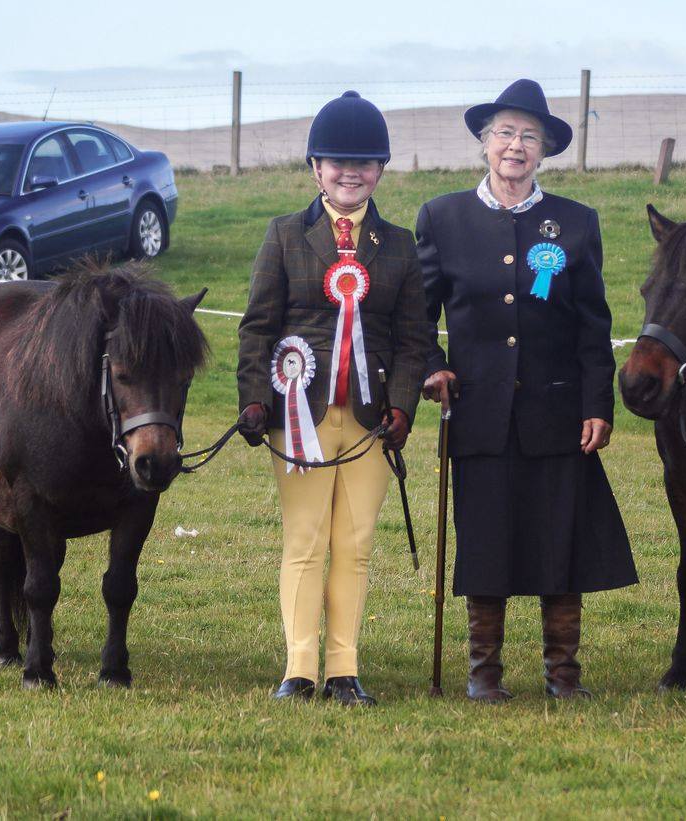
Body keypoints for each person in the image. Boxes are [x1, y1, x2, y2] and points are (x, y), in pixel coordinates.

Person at [416, 79, 638, 703]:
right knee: (484, 539)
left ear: (544, 151)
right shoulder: (443, 217)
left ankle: (563, 675)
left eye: (529, 137)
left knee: (559, 537)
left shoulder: (575, 223)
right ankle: (483, 675)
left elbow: (594, 323)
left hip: (558, 411)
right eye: (506, 134)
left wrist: (598, 404)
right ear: (485, 143)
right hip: (478, 411)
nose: (516, 146)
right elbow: (418, 315)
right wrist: (433, 366)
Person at [236, 91, 430, 706]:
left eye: (366, 162)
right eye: (337, 161)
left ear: (381, 170)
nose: (352, 172)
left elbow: (413, 337)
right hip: (301, 417)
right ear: (316, 167)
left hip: (369, 422)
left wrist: (401, 406)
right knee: (305, 540)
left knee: (354, 543)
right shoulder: (285, 235)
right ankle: (299, 669)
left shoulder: (399, 246)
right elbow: (258, 326)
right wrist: (255, 399)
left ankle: (344, 669)